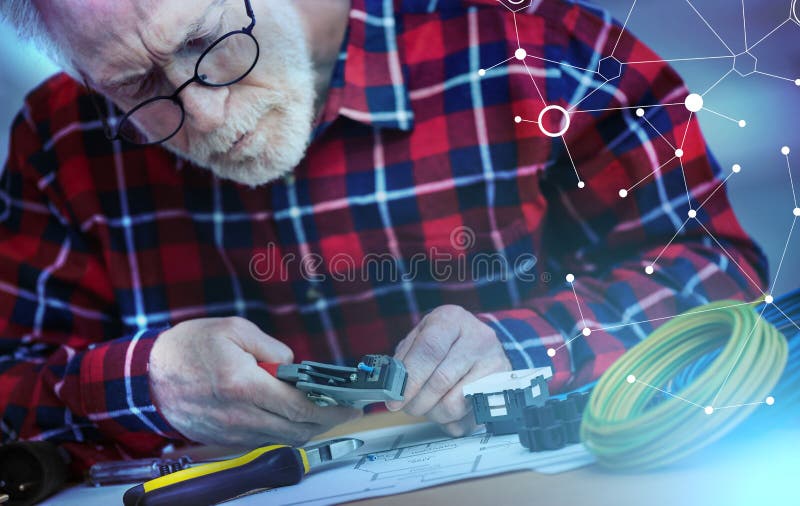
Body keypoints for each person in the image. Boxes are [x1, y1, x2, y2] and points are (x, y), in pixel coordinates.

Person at [0, 0, 767, 470]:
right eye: (134, 89)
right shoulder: (58, 138)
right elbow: (12, 388)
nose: (202, 116)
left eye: (206, 44)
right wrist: (148, 383)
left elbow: (723, 276)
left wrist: (526, 347)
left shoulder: (542, 53)